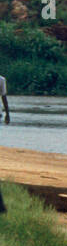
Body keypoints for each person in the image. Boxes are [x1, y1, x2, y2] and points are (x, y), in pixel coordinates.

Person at [0, 72, 8, 214]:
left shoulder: (1, 80)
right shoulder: (1, 79)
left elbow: (4, 97)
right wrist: (8, 113)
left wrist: (8, 112)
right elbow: (4, 97)